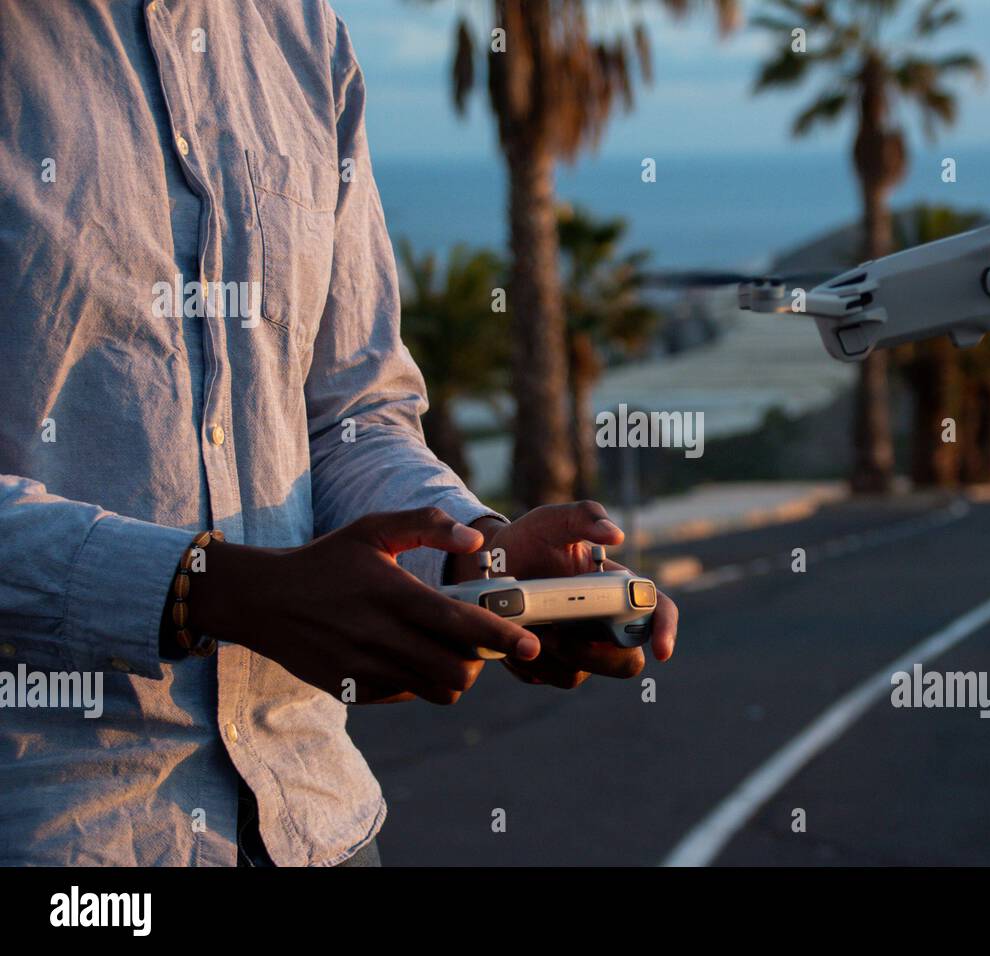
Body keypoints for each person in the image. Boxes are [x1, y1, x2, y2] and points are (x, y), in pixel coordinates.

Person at [0, 0, 678, 867]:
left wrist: (479, 557)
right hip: (59, 841)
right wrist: (215, 590)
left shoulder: (303, 34)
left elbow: (349, 417)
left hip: (318, 822)